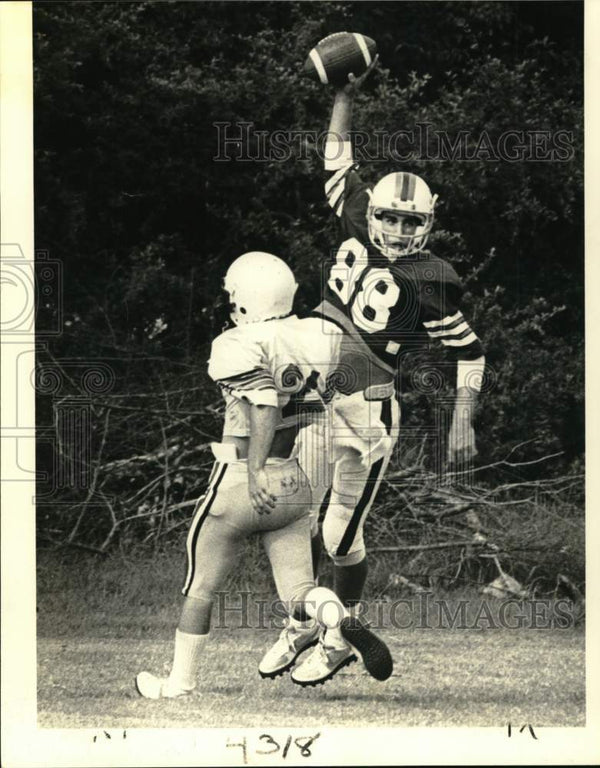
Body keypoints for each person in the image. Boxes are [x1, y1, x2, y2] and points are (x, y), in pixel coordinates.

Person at [259, 61, 486, 683]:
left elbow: (471, 350)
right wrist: (341, 96)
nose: (396, 228)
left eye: (411, 222)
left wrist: (461, 422)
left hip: (370, 411)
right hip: (318, 392)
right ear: (374, 212)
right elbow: (336, 159)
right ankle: (309, 622)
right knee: (287, 514)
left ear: (429, 225)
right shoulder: (357, 216)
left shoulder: (434, 280)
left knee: (337, 538)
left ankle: (338, 631)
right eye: (389, 217)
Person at [135, 251, 393, 697]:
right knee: (299, 591)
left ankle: (180, 683)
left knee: (200, 589)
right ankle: (338, 620)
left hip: (241, 483)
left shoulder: (236, 344)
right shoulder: (316, 335)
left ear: (242, 298)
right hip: (293, 482)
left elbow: (265, 402)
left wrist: (253, 471)